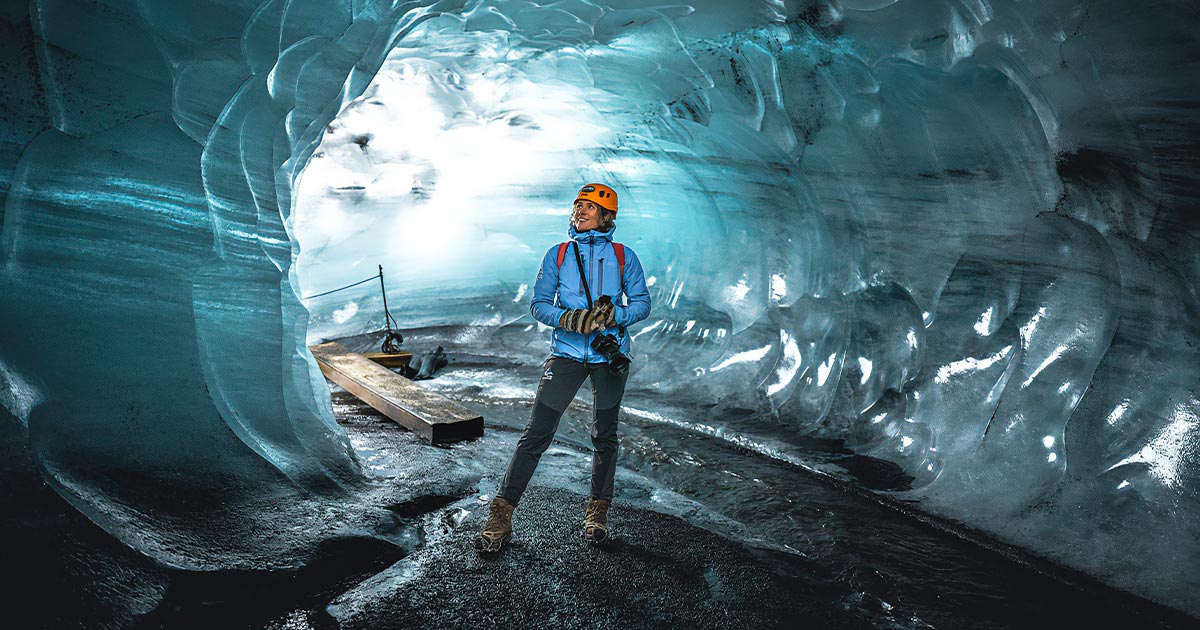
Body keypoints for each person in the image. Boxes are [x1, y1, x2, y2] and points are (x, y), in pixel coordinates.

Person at [476, 183, 652, 552]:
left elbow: (641, 303)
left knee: (605, 435)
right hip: (567, 354)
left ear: (606, 216)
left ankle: (597, 514)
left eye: (589, 206)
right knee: (537, 432)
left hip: (610, 355)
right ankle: (501, 513)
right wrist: (569, 318)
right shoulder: (558, 255)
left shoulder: (624, 257)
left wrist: (615, 315)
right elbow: (539, 304)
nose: (580, 210)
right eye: (578, 205)